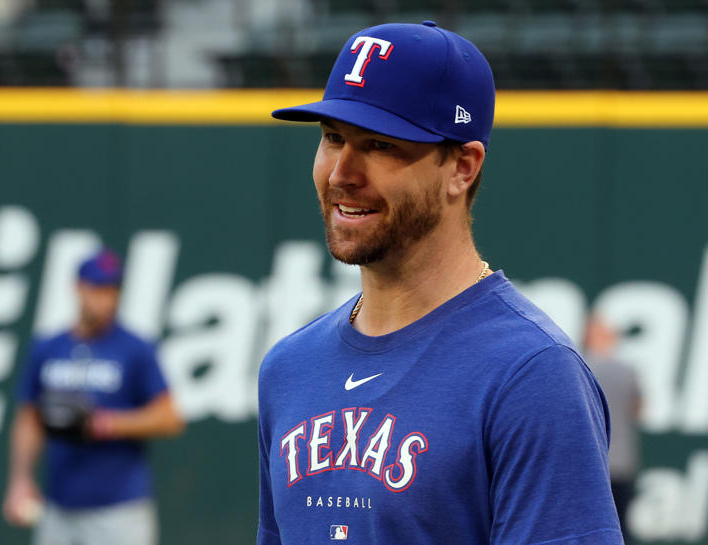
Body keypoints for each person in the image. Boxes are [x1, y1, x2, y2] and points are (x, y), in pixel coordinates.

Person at [257, 21, 623, 544]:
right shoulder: (288, 368)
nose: (342, 172)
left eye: (380, 145)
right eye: (333, 138)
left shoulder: (532, 375)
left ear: (463, 166)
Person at [2, 248, 184, 545]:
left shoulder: (134, 348)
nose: (106, 299)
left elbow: (170, 418)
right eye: (98, 288)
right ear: (77, 288)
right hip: (58, 506)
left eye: (113, 290)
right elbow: (28, 418)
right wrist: (20, 480)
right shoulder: (49, 348)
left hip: (119, 509)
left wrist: (107, 423)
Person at [585, 316, 642, 543]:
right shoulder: (628, 371)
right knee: (619, 531)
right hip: (622, 463)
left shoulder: (578, 364)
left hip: (591, 464)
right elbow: (638, 411)